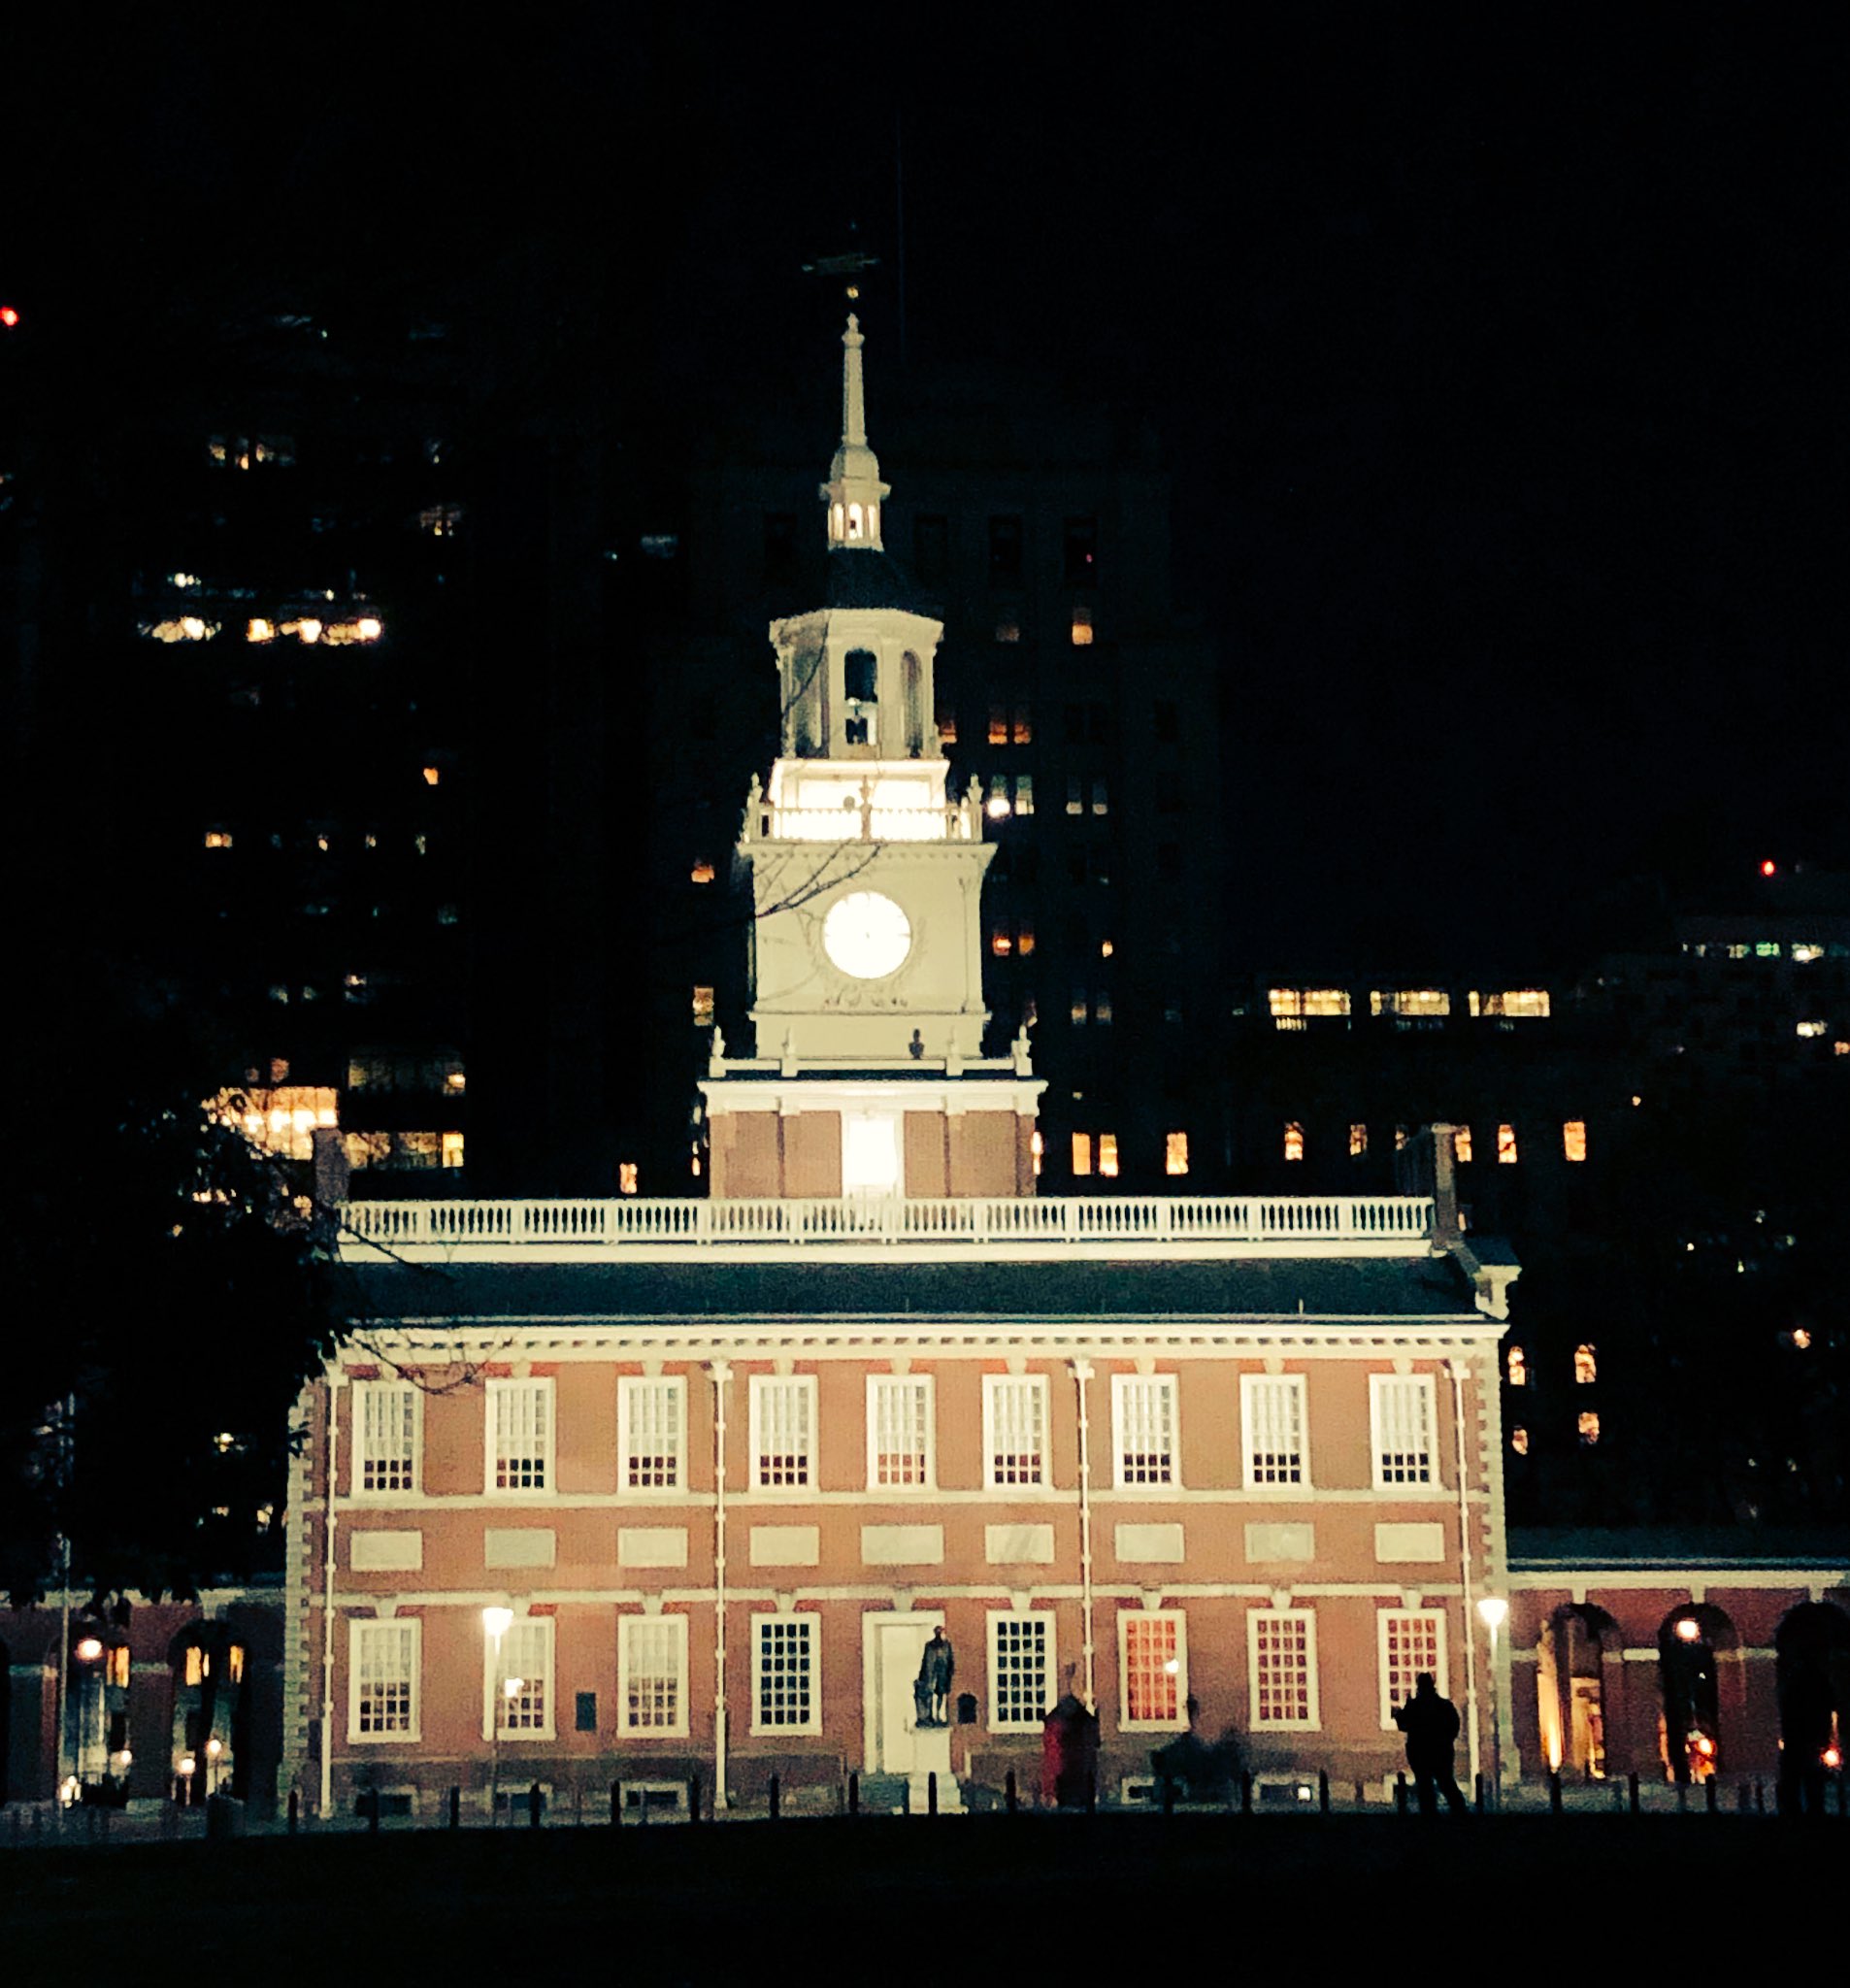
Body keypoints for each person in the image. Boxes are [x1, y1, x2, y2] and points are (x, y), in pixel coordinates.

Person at [1393, 1673, 1467, 1814]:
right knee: (1446, 1783)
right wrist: (1445, 1742)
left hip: (1420, 1753)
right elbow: (1454, 1727)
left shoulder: (1415, 1706)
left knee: (1425, 1786)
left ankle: (1430, 1818)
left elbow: (1403, 1725)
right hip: (1441, 1751)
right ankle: (1460, 1814)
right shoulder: (1444, 1705)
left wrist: (1399, 1715)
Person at [916, 1626, 955, 1728]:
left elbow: (950, 1660)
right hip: (931, 1674)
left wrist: (950, 1673)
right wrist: (922, 1676)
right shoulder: (929, 1645)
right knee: (929, 1695)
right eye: (937, 1631)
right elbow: (925, 1661)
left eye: (940, 1631)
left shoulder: (947, 1645)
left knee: (941, 1695)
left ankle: (940, 1716)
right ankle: (929, 1717)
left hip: (942, 1674)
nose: (939, 1633)